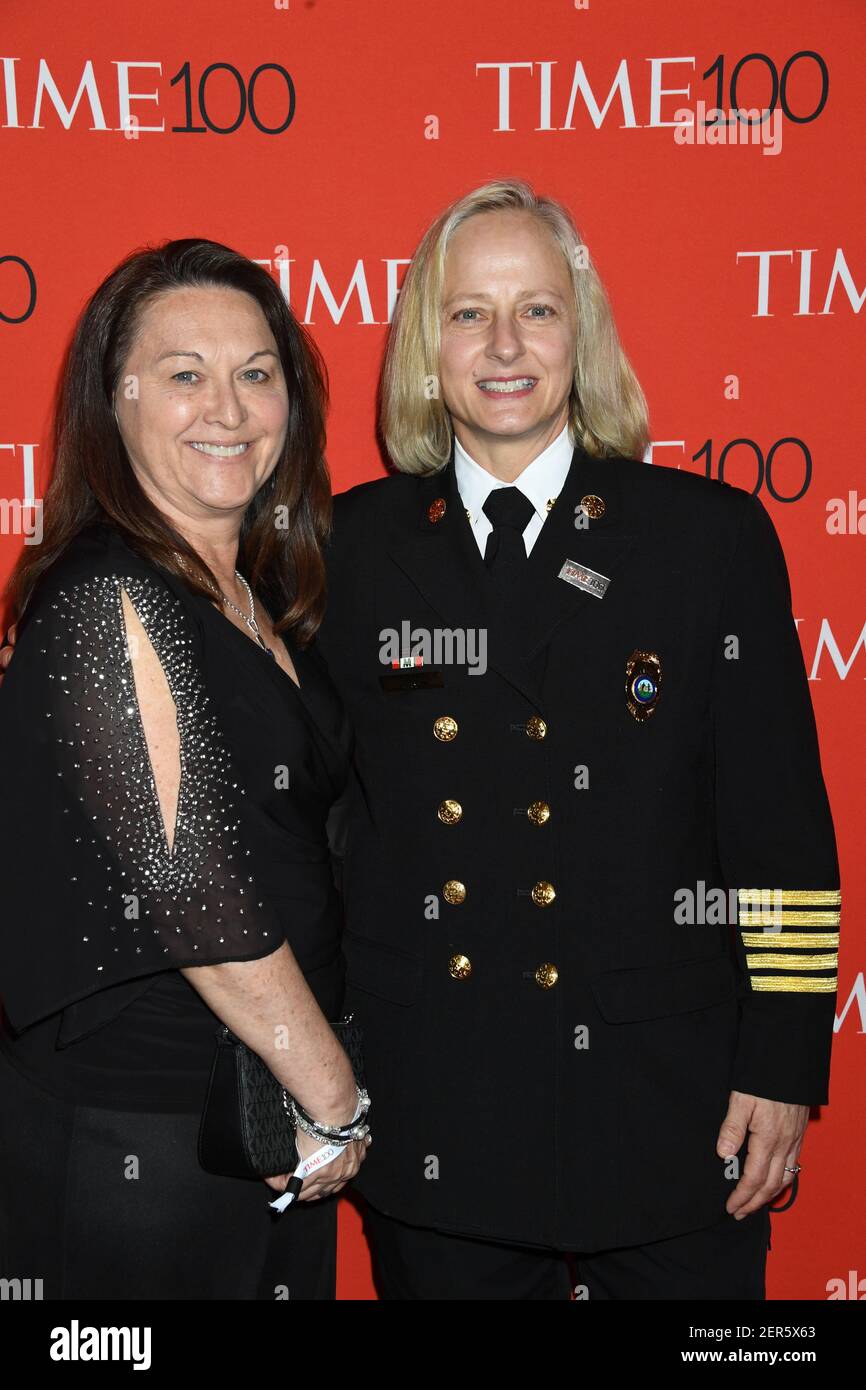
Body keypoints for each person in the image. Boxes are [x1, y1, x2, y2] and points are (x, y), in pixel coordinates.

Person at [315, 179, 842, 1299]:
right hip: (434, 1099)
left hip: (668, 1105)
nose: (503, 344)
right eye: (468, 313)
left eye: (536, 309)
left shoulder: (705, 538)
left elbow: (777, 834)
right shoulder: (344, 549)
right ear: (425, 344)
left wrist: (783, 1063)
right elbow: (317, 832)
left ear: (580, 334)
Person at [0, 238, 368, 1300]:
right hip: (142, 1137)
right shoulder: (112, 596)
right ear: (109, 406)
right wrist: (331, 1093)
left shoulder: (254, 594)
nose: (229, 406)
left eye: (257, 373)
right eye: (182, 374)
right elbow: (187, 882)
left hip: (248, 1124)